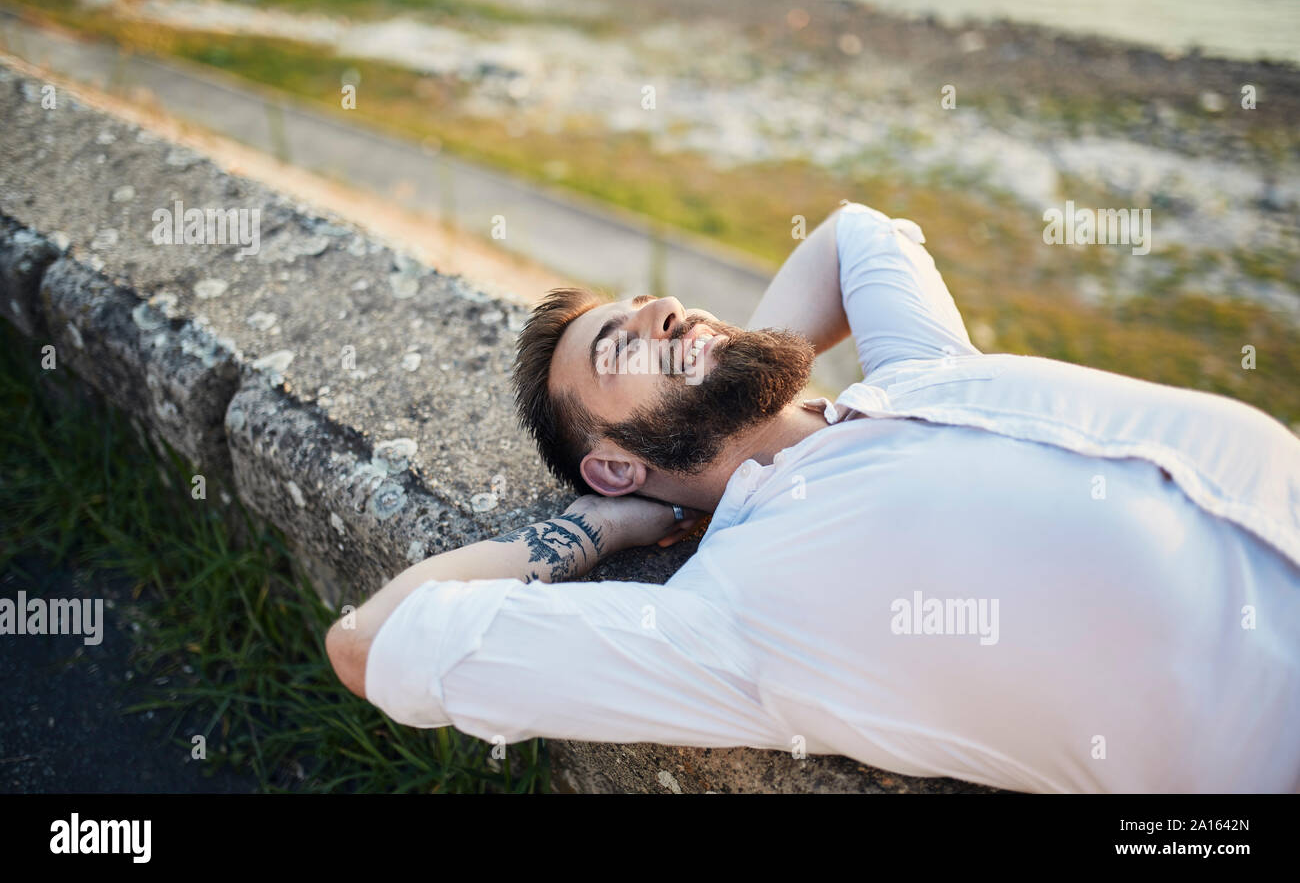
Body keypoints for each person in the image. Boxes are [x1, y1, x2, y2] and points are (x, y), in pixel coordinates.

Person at [326, 201, 1300, 793]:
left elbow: (853, 235)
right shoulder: (737, 617)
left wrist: (751, 376)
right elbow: (371, 644)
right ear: (613, 462)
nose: (664, 307)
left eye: (652, 302)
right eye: (621, 345)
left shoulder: (921, 371)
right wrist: (601, 525)